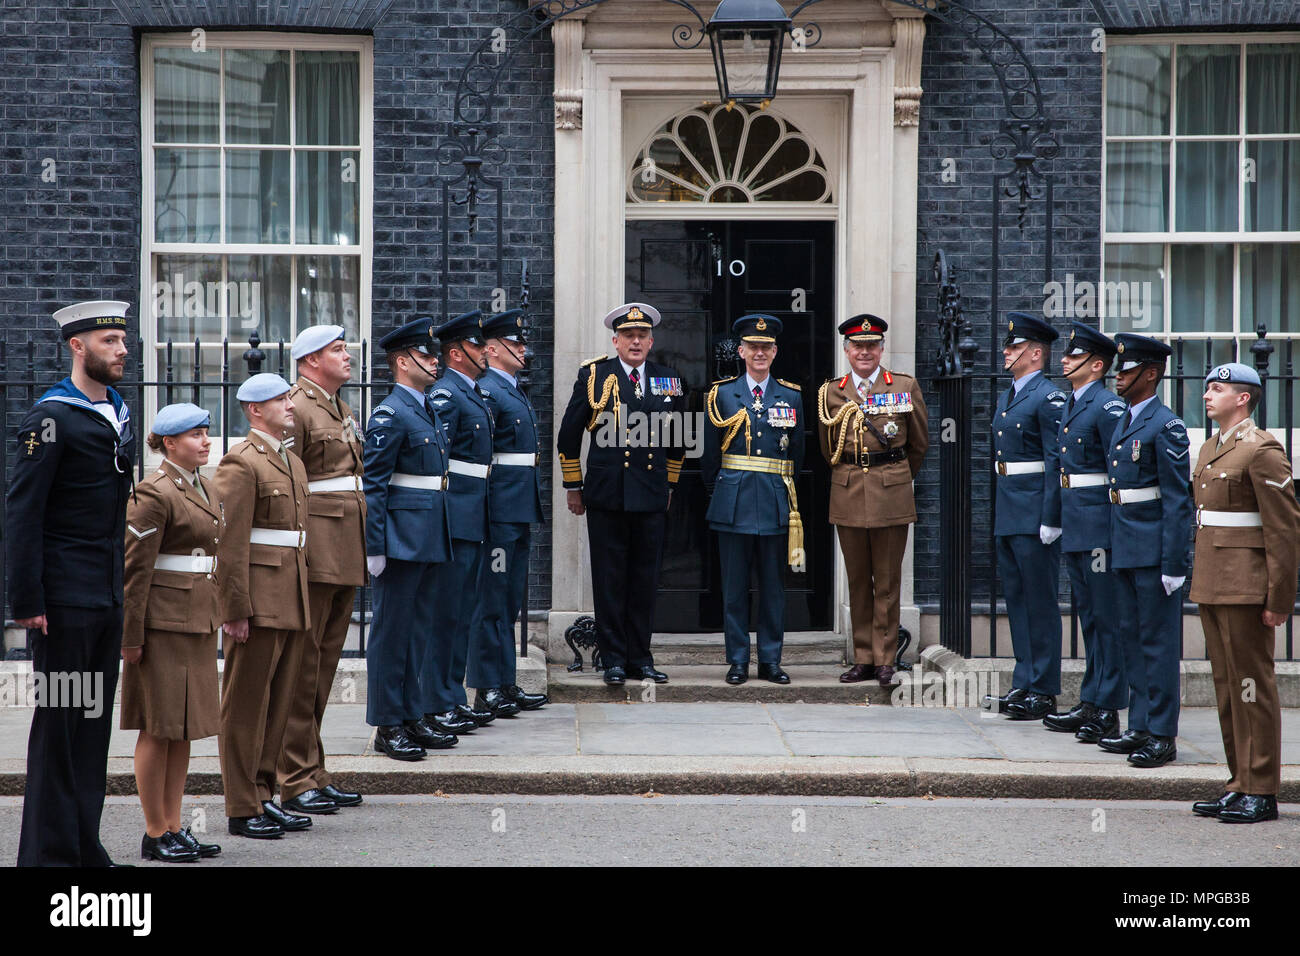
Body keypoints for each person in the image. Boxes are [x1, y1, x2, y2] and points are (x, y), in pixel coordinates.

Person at [7, 299, 134, 867]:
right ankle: (47, 858)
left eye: (123, 340)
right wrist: (26, 601)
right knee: (57, 732)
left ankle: (84, 849)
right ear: (77, 347)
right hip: (62, 601)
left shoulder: (115, 413)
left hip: (105, 596)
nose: (123, 350)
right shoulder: (50, 419)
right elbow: (23, 513)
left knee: (91, 731)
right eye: (109, 340)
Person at [1189, 363, 1299, 822]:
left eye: (1218, 389)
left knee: (1253, 687)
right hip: (1214, 581)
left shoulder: (1262, 449)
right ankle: (1238, 782)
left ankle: (1262, 788)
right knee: (1228, 687)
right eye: (1208, 388)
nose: (1207, 395)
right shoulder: (1213, 446)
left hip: (1245, 585)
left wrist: (1278, 599)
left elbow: (1284, 529)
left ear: (1244, 398)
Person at [556, 303, 687, 686]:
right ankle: (612, 658)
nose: (635, 341)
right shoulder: (595, 375)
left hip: (649, 494)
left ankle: (640, 657)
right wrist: (573, 486)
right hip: (607, 493)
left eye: (642, 336)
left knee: (645, 578)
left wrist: (670, 486)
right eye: (628, 335)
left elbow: (677, 439)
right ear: (615, 340)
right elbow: (569, 434)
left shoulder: (669, 379)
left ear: (651, 341)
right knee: (610, 577)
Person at [121, 403, 224, 862]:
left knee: (183, 730)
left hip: (196, 619)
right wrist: (131, 636)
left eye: (206, 432)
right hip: (162, 624)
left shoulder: (205, 485)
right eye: (195, 434)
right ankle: (153, 831)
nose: (205, 441)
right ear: (168, 443)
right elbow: (134, 572)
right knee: (157, 728)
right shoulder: (153, 492)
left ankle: (175, 826)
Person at [213, 372, 314, 838]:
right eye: (280, 400)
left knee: (279, 700)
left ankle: (264, 793)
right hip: (257, 597)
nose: (291, 405)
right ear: (255, 409)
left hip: (290, 594)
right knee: (247, 704)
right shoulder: (241, 462)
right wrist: (234, 608)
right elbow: (229, 543)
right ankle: (240, 805)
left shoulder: (291, 460)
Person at [363, 318, 462, 760]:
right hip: (401, 539)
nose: (434, 361)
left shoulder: (425, 408)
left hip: (427, 534)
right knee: (392, 632)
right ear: (403, 362)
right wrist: (376, 546)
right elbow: (375, 485)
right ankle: (388, 723)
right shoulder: (390, 413)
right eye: (425, 356)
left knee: (419, 631)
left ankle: (411, 712)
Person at [278, 325, 365, 813]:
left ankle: (314, 767)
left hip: (342, 550)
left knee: (322, 667)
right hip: (314, 554)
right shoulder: (297, 408)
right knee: (303, 668)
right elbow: (287, 486)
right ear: (311, 360)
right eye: (337, 350)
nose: (347, 355)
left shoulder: (336, 405)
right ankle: (293, 776)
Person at [817, 314, 928, 688]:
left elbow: (918, 445)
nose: (864, 352)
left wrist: (893, 478)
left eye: (871, 346)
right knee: (857, 580)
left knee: (888, 581)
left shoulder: (904, 386)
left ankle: (885, 660)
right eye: (857, 346)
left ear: (881, 349)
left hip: (891, 493)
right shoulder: (831, 392)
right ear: (847, 351)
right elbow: (827, 446)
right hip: (848, 491)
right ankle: (863, 657)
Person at [1097, 333, 1192, 768]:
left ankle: (1161, 733)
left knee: (1157, 643)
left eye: (1128, 368)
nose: (1119, 375)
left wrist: (1175, 562)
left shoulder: (1166, 425)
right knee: (1130, 639)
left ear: (1150, 373)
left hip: (1153, 550)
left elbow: (1176, 499)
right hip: (1124, 544)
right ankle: (1138, 724)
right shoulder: (1126, 419)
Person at [427, 310, 519, 720]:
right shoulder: (448, 393)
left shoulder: (472, 392)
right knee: (448, 614)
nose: (485, 351)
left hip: (476, 509)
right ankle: (441, 700)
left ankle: (452, 698)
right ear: (456, 352)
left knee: (462, 613)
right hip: (456, 511)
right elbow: (437, 459)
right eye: (477, 344)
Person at [703, 314, 805, 685]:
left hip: (775, 498)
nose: (759, 353)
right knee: (733, 588)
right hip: (732, 499)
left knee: (773, 589)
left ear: (774, 352)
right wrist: (719, 494)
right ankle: (737, 660)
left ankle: (770, 660)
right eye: (753, 347)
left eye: (766, 347)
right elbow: (710, 455)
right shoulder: (722, 393)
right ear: (741, 351)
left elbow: (798, 452)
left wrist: (785, 494)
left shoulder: (791, 394)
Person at [1039, 323, 1128, 741]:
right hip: (1077, 519)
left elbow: (1120, 473)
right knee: (1089, 617)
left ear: (1095, 364)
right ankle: (1092, 699)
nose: (1064, 360)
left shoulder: (1106, 406)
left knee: (1106, 618)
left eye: (1074, 357)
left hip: (1099, 526)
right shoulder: (1076, 403)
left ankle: (1107, 707)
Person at [984, 312, 1066, 718]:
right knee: (1016, 598)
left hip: (1034, 510)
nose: (1006, 352)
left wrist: (1052, 516)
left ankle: (1044, 688)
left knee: (1039, 601)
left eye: (1014, 347)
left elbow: (1055, 460)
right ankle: (1024, 681)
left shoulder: (1048, 397)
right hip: (1010, 506)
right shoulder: (1011, 394)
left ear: (1036, 353)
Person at [469, 309, 549, 710]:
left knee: (510, 600)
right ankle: (488, 687)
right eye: (515, 344)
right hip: (499, 512)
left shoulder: (511, 389)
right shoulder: (488, 391)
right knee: (494, 600)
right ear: (494, 349)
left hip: (517, 509)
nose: (523, 350)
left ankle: (505, 680)